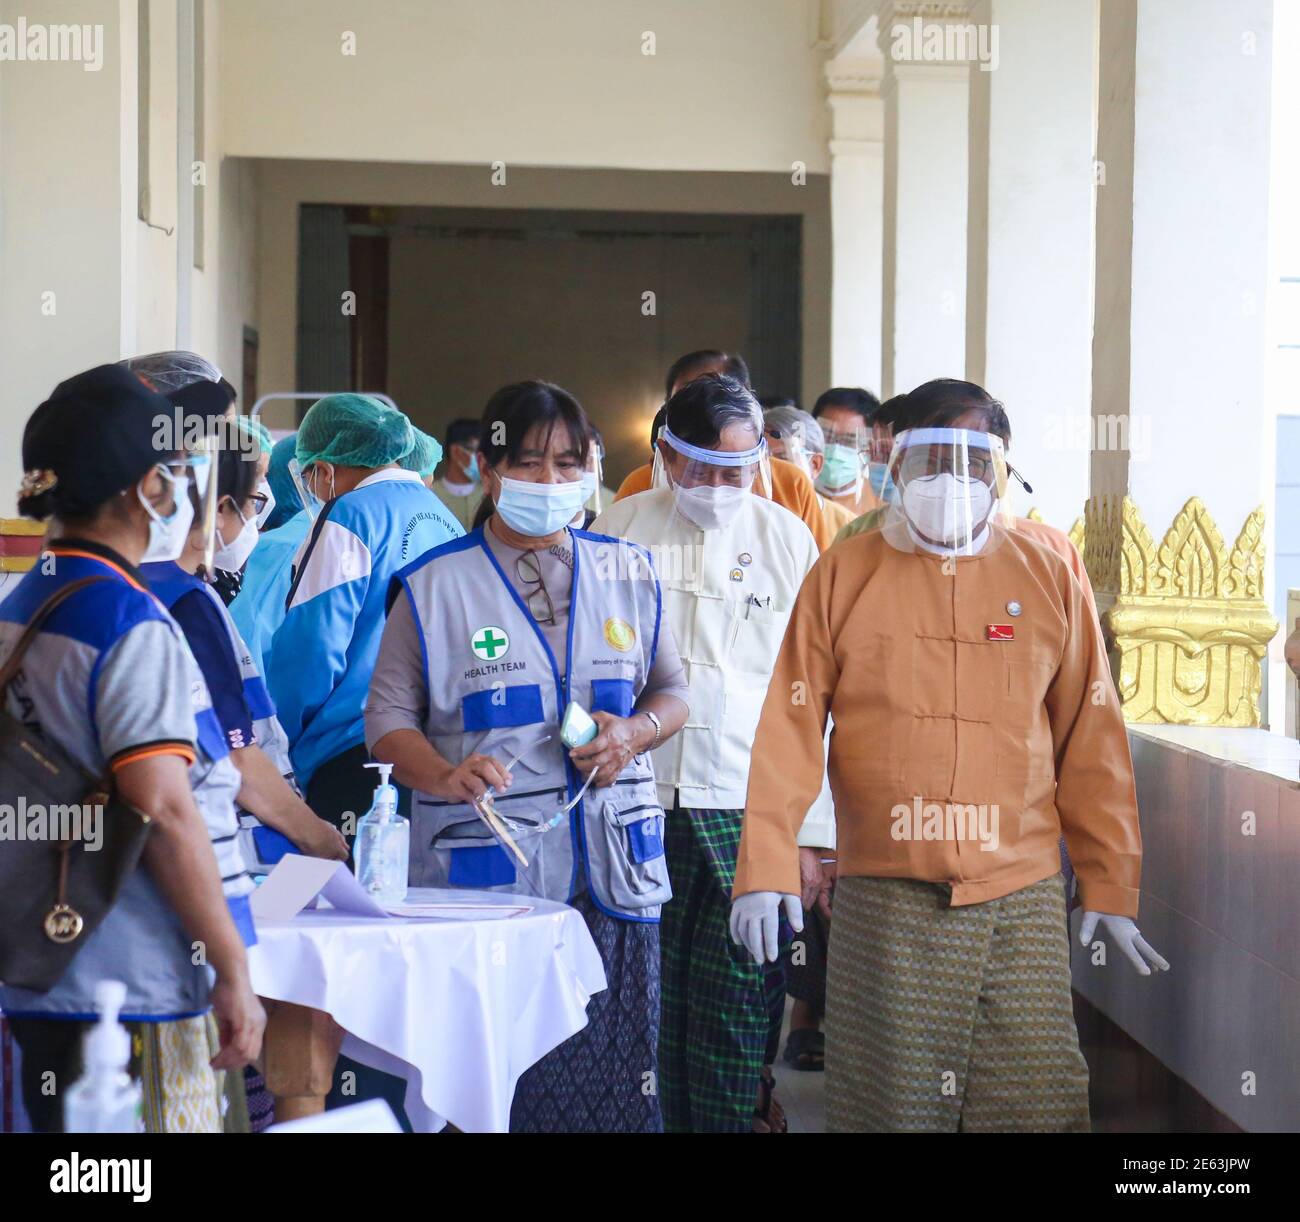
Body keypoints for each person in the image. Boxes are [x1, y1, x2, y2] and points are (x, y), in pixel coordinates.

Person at [730, 378, 1168, 1133]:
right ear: (895, 463)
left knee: (1034, 1103)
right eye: (932, 460)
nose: (950, 480)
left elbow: (1090, 734)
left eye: (970, 462)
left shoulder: (1047, 567)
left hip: (1020, 889)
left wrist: (1109, 881)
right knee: (889, 1107)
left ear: (1001, 469)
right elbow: (790, 726)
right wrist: (767, 863)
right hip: (886, 893)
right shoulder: (846, 570)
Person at [366, 380, 690, 1132]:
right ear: (490, 470)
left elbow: (673, 691)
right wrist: (443, 774)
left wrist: (634, 733)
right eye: (531, 463)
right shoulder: (433, 585)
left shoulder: (630, 570)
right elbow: (385, 719)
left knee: (617, 1080)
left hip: (615, 872)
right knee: (499, 1082)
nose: (550, 481)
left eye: (568, 464)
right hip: (491, 881)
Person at [0, 365, 264, 1132]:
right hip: (135, 983)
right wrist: (231, 965)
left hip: (43, 964)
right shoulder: (128, 622)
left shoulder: (23, 605)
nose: (183, 487)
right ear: (144, 488)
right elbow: (166, 809)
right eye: (175, 469)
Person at [593, 374, 819, 1134]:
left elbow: (814, 696)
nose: (721, 489)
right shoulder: (620, 531)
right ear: (666, 455)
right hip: (634, 800)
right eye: (703, 470)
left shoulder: (787, 540)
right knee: (639, 1000)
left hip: (745, 807)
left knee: (736, 1003)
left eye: (738, 472)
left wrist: (809, 836)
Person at [141, 435, 349, 868]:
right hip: (226, 840)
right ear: (220, 508)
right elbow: (237, 752)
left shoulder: (142, 586)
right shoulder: (188, 604)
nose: (257, 517)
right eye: (254, 501)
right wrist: (316, 835)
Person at [267, 394, 462, 839]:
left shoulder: (350, 515)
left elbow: (312, 647)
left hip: (350, 748)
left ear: (325, 470)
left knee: (346, 878)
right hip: (429, 746)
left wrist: (279, 736)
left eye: (310, 476)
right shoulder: (444, 518)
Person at [613, 350, 833, 551]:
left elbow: (817, 575)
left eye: (732, 474)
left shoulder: (791, 511)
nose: (715, 487)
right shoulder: (624, 518)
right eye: (698, 472)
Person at [229, 434, 308, 681]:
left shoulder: (281, 546)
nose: (264, 485)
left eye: (267, 475)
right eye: (259, 476)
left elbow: (246, 638)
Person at [764, 404, 856, 536]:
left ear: (815, 465)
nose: (769, 470)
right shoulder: (747, 521)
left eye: (783, 459)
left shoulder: (849, 528)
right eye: (761, 461)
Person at [810, 387, 883, 518]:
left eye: (849, 440)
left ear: (870, 445)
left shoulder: (883, 507)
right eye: (826, 436)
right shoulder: (792, 495)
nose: (835, 450)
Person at [430, 417, 484, 530]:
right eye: (477, 451)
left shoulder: (490, 495)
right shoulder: (431, 495)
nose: (483, 459)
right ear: (455, 451)